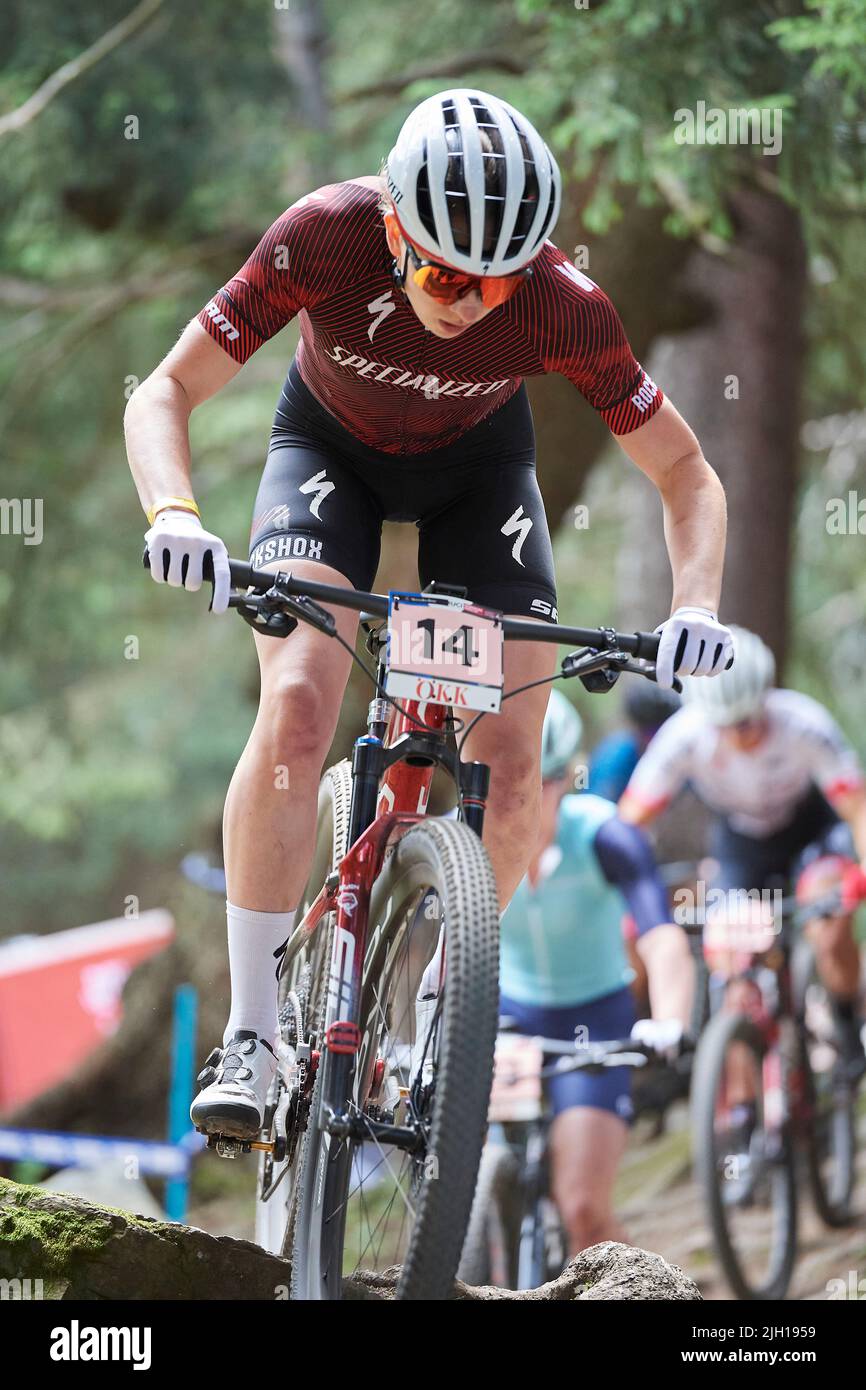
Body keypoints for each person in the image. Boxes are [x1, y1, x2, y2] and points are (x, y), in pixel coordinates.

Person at [124, 88, 733, 1140]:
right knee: (303, 706)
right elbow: (163, 393)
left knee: (513, 761)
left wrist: (694, 607)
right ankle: (257, 1035)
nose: (470, 301)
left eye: (497, 280)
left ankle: (426, 1022)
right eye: (447, 270)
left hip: (479, 480)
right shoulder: (325, 235)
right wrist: (175, 512)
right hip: (326, 462)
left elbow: (684, 471)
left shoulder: (562, 304)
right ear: (396, 226)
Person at [619, 626, 866, 1073]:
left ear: (766, 696)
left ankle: (848, 1020)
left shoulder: (804, 724)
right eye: (725, 725)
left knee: (827, 925)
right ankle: (741, 1115)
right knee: (731, 958)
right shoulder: (684, 736)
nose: (738, 734)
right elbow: (629, 823)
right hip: (743, 843)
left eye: (748, 720)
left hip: (811, 831)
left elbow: (857, 809)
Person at [498, 690, 693, 1253]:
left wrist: (670, 1021)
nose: (526, 799)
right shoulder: (461, 839)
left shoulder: (606, 837)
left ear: (562, 781)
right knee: (457, 1188)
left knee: (583, 1209)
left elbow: (661, 939)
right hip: (507, 1016)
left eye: (542, 781)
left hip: (593, 1021)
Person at [588, 682, 681, 803]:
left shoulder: (681, 750)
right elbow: (598, 813)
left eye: (667, 732)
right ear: (637, 729)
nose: (660, 740)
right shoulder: (614, 758)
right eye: (653, 733)